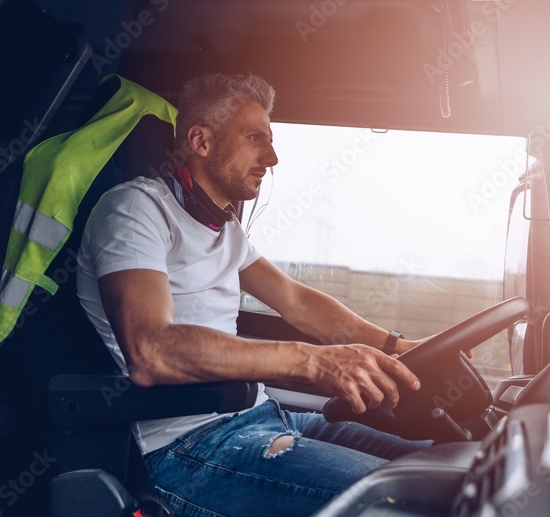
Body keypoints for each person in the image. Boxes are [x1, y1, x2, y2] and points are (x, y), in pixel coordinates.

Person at [76, 73, 431, 517]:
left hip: (265, 417)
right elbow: (153, 350)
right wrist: (314, 361)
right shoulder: (134, 210)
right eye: (254, 138)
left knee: (441, 467)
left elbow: (296, 302)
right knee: (415, 504)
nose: (273, 157)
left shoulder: (225, 229)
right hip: (186, 448)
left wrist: (396, 347)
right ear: (200, 141)